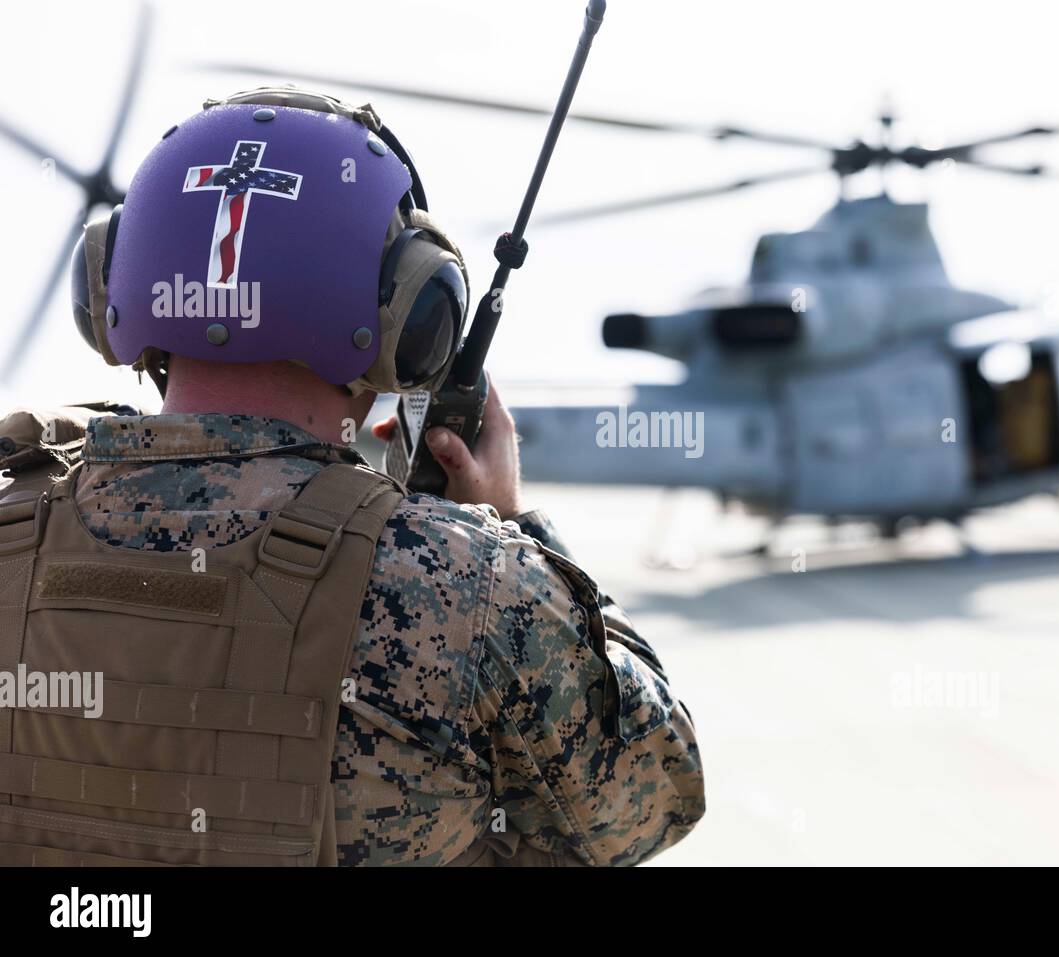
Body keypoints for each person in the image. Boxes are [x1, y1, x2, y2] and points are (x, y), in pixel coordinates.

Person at [0, 88, 703, 866]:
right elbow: (655, 791)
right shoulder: (467, 585)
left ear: (107, 289)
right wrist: (514, 530)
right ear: (412, 317)